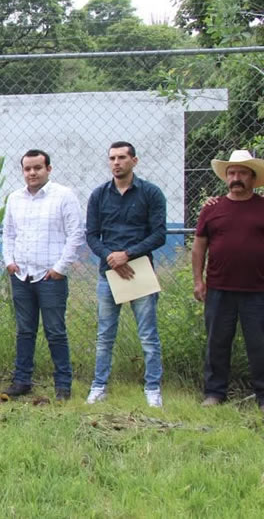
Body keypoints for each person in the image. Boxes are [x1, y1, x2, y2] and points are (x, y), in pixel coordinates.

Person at [84, 142, 167, 408]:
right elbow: (91, 235)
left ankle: (153, 388)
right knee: (105, 335)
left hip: (139, 269)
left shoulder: (151, 193)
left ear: (134, 161)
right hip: (107, 272)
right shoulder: (98, 195)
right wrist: (111, 257)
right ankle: (99, 386)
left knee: (148, 336)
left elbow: (159, 234)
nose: (116, 162)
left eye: (122, 157)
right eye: (112, 158)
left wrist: (127, 255)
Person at [1, 149, 85, 402]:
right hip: (22, 275)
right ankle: (22, 380)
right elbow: (8, 234)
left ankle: (63, 385)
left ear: (48, 168)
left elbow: (76, 234)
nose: (32, 173)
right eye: (27, 168)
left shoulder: (64, 196)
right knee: (24, 331)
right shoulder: (15, 198)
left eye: (37, 167)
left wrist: (60, 267)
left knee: (55, 331)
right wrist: (9, 261)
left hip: (51, 277)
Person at [193, 150, 264, 412]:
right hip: (219, 288)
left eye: (242, 173)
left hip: (258, 290)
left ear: (252, 178)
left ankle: (262, 396)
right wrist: (198, 281)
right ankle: (214, 393)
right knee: (217, 342)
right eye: (232, 173)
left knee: (259, 344)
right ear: (226, 177)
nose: (236, 178)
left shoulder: (262, 207)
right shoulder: (212, 209)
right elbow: (199, 247)